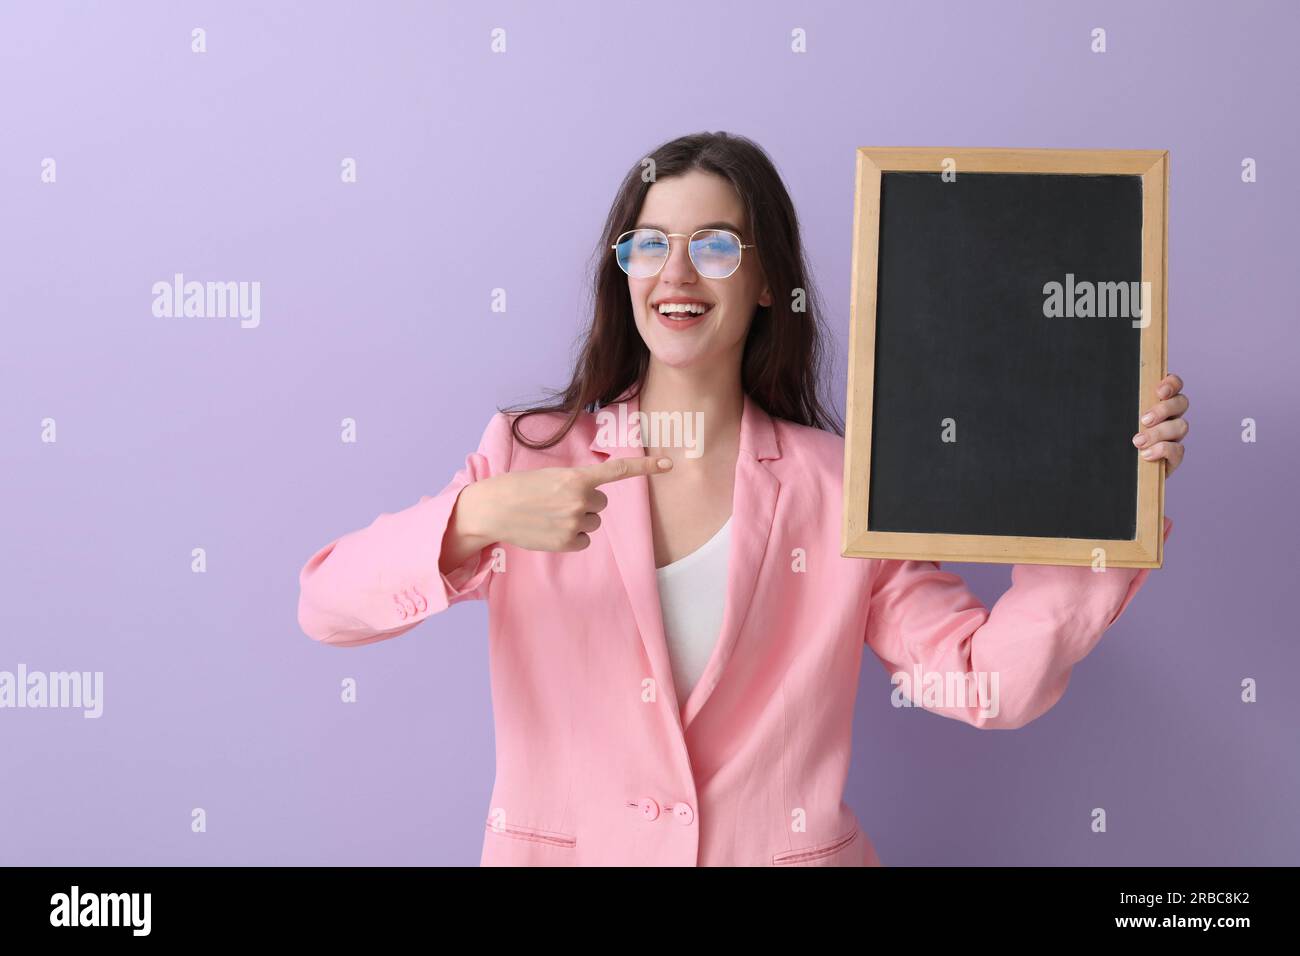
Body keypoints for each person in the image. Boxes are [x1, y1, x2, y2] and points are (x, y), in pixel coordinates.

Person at [296, 131, 1189, 866]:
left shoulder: (843, 484)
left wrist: (1105, 489)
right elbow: (327, 604)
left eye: (715, 244)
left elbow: (986, 684)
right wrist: (479, 518)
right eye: (650, 244)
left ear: (766, 283)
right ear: (624, 272)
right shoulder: (531, 453)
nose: (676, 272)